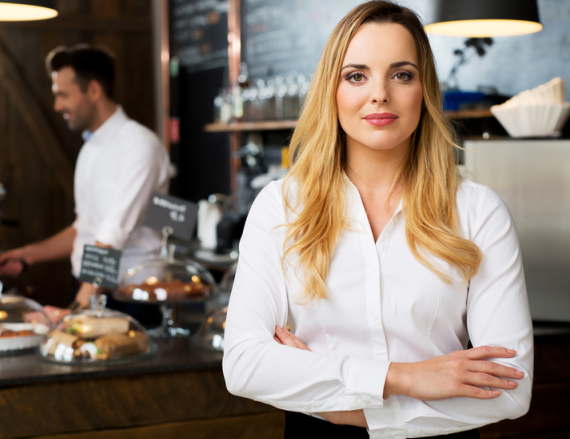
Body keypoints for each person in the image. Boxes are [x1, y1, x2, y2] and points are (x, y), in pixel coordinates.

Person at [222, 2, 533, 438]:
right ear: (332, 89)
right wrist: (404, 377)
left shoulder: (479, 211)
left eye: (402, 74)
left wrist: (337, 404)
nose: (380, 94)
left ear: (423, 89)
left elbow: (511, 390)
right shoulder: (282, 207)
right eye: (357, 75)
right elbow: (243, 364)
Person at [0, 45, 170, 312]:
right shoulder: (90, 148)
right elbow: (87, 228)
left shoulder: (139, 145)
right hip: (89, 288)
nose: (57, 106)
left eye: (63, 95)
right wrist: (30, 254)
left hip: (129, 296)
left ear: (94, 91)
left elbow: (112, 234)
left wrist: (76, 310)